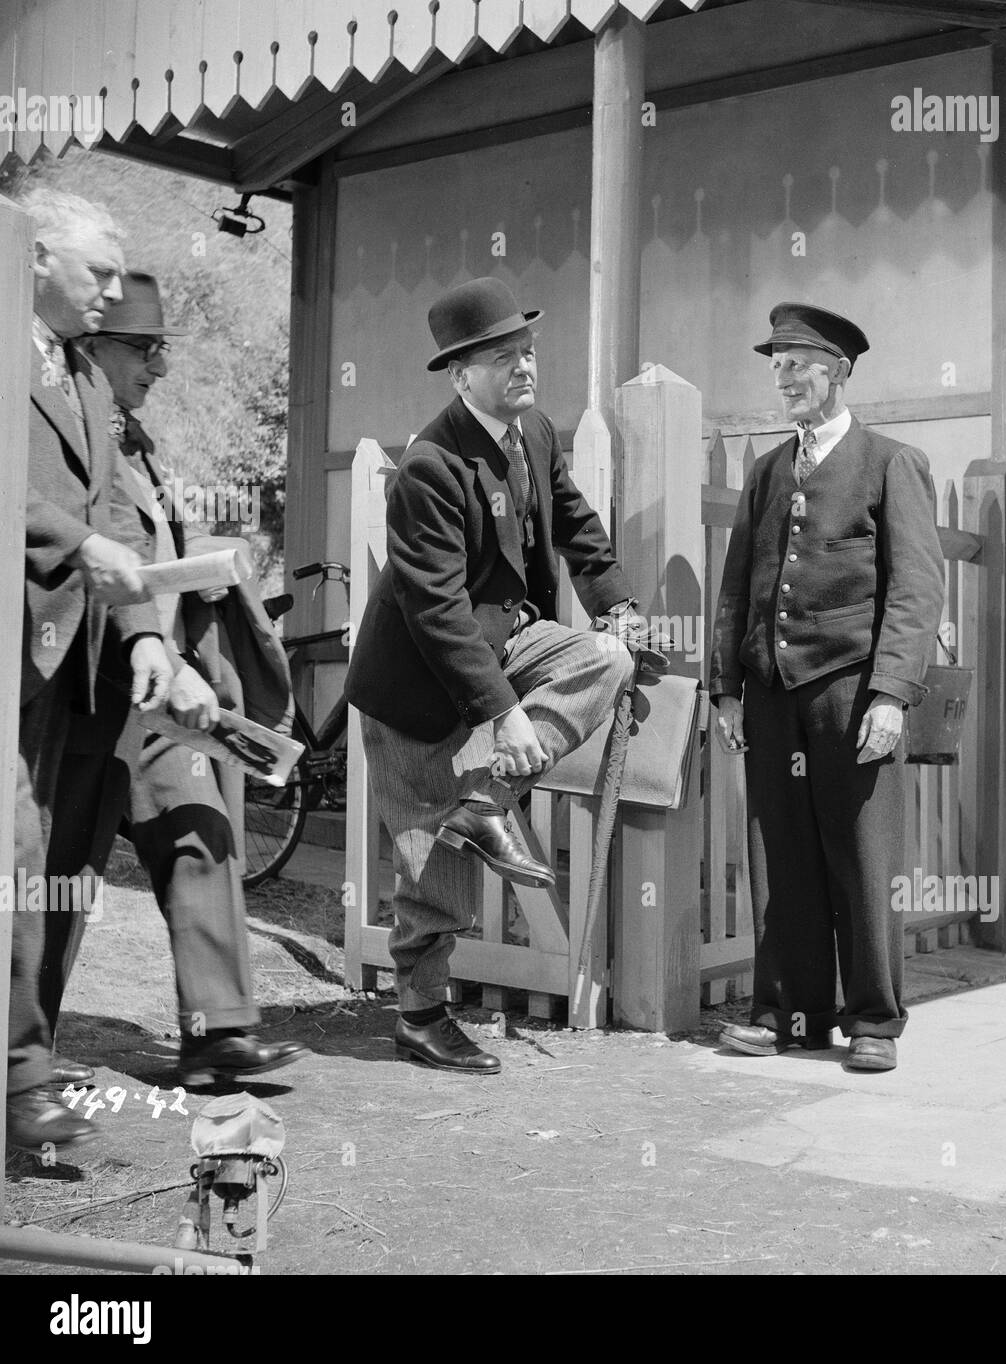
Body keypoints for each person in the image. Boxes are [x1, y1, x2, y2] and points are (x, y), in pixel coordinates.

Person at [346, 277, 647, 1075]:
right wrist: (505, 713)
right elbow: (435, 610)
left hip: (503, 642)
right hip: (415, 683)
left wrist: (616, 605)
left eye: (527, 350)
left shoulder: (535, 434)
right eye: (501, 355)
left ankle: (485, 799)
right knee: (433, 867)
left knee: (605, 657)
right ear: (460, 374)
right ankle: (421, 1014)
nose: (523, 366)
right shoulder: (430, 465)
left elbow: (577, 523)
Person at [38, 271, 309, 1090]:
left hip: (154, 691)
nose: (160, 366)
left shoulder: (133, 441)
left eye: (163, 348)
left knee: (201, 829)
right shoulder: (63, 431)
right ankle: (23, 1060)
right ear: (93, 349)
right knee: (56, 873)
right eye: (144, 348)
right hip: (76, 687)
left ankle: (218, 1032)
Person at [709, 302, 945, 1073]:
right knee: (782, 855)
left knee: (861, 857)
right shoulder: (768, 472)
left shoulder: (890, 463)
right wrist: (726, 688)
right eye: (776, 363)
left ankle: (874, 1019)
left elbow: (915, 589)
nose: (785, 377)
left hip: (851, 693)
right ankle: (789, 1014)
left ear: (840, 372)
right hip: (773, 693)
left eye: (800, 363)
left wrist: (892, 694)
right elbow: (737, 587)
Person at [9, 189, 172, 1155]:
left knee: (32, 865)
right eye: (97, 271)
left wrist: (146, 630)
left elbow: (115, 515)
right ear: (33, 259)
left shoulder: (84, 375)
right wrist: (75, 543)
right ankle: (23, 1082)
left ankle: (23, 1073)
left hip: (64, 660)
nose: (114, 291)